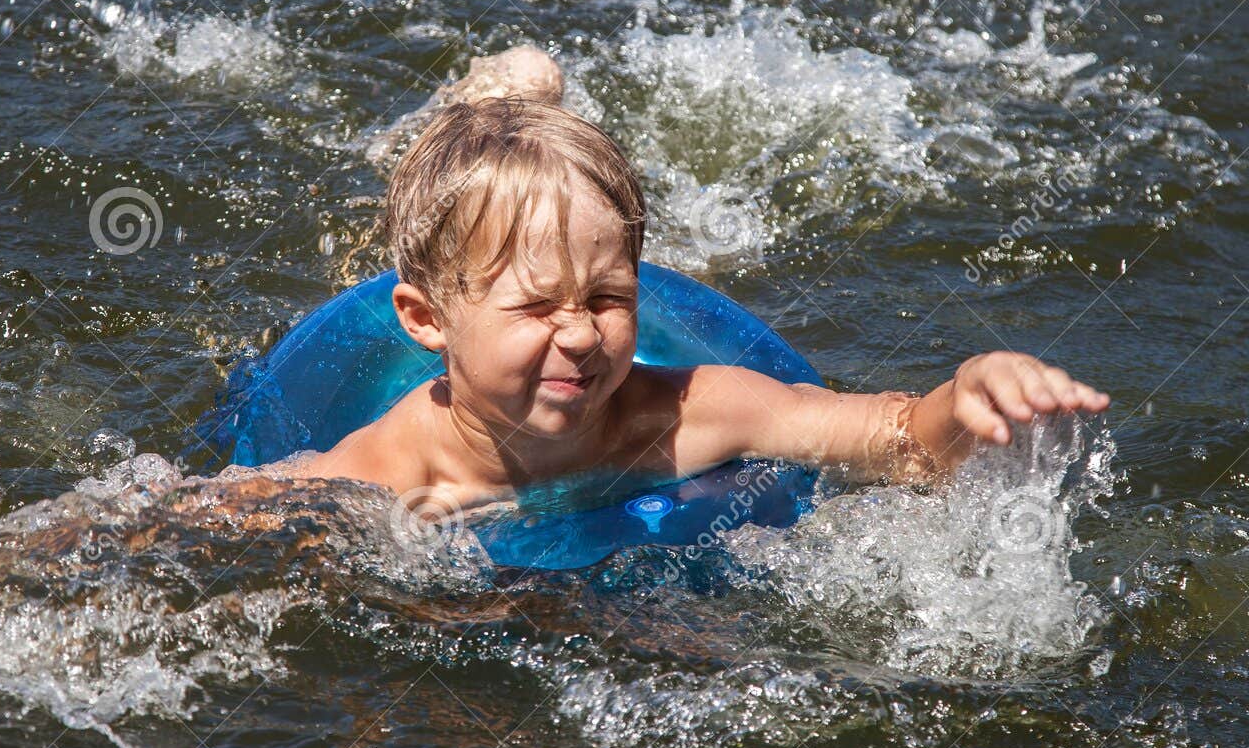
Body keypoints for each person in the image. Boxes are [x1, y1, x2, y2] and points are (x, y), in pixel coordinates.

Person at [239, 44, 1109, 525]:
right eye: (539, 307)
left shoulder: (692, 411)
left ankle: (513, 114)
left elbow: (890, 438)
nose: (580, 334)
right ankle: (491, 101)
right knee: (406, 227)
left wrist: (965, 392)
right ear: (425, 322)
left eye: (607, 299)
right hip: (403, 345)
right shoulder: (387, 466)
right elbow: (217, 511)